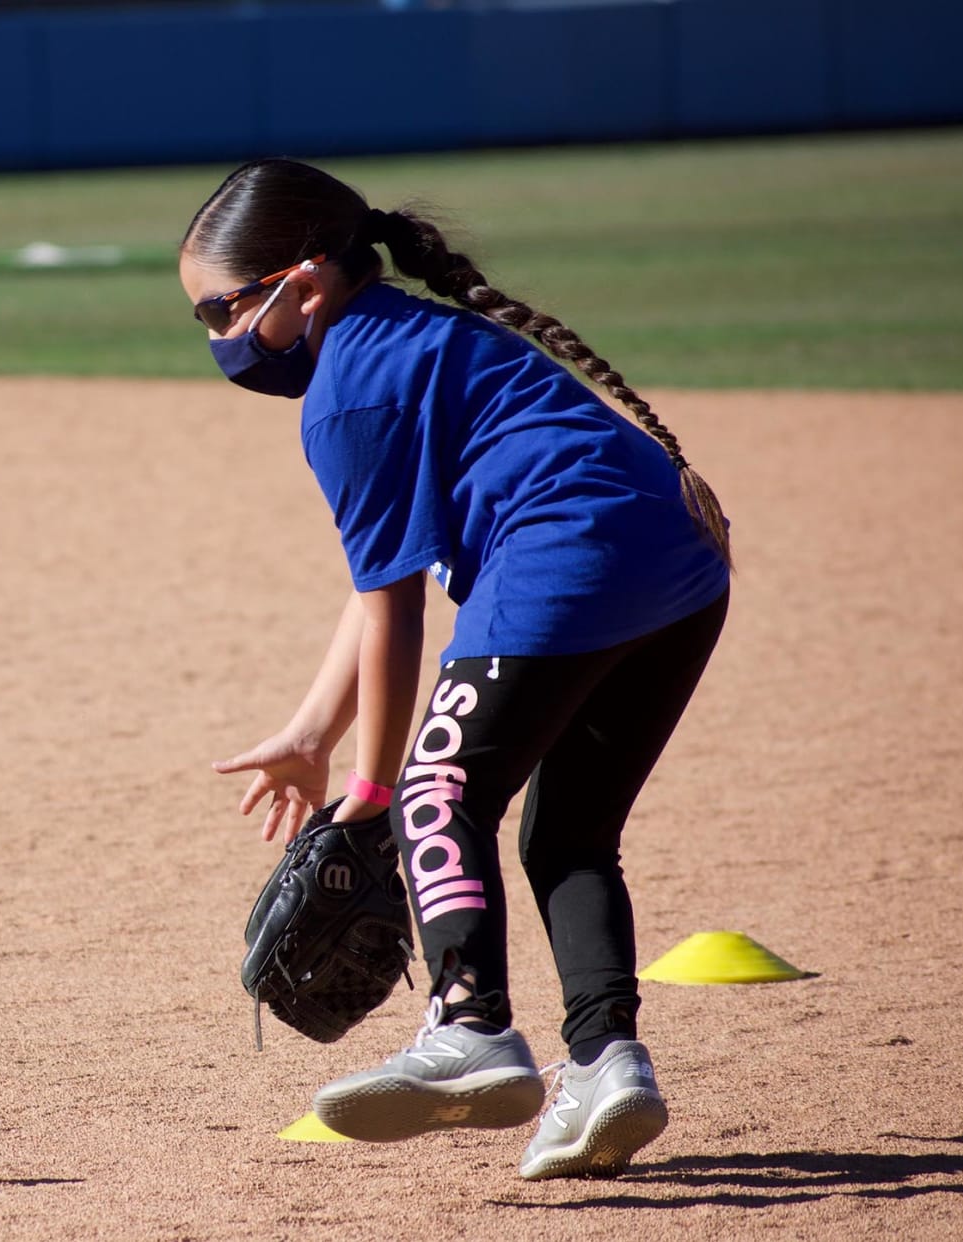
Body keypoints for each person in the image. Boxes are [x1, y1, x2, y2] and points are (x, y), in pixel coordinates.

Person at [183, 158, 732, 1180]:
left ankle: (468, 1028)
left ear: (301, 285)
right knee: (568, 834)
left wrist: (380, 790)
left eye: (220, 310)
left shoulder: (344, 397)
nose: (218, 339)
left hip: (569, 556)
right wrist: (315, 731)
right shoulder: (404, 333)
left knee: (442, 795)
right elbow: (378, 583)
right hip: (683, 566)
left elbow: (395, 616)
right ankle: (606, 1068)